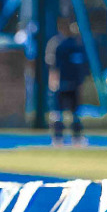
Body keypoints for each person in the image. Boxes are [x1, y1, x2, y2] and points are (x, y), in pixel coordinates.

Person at [45, 17, 89, 146]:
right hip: (64, 83)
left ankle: (75, 138)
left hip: (73, 83)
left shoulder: (76, 45)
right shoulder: (59, 45)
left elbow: (81, 66)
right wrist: (54, 81)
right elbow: (54, 66)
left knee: (74, 112)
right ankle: (59, 138)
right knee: (59, 112)